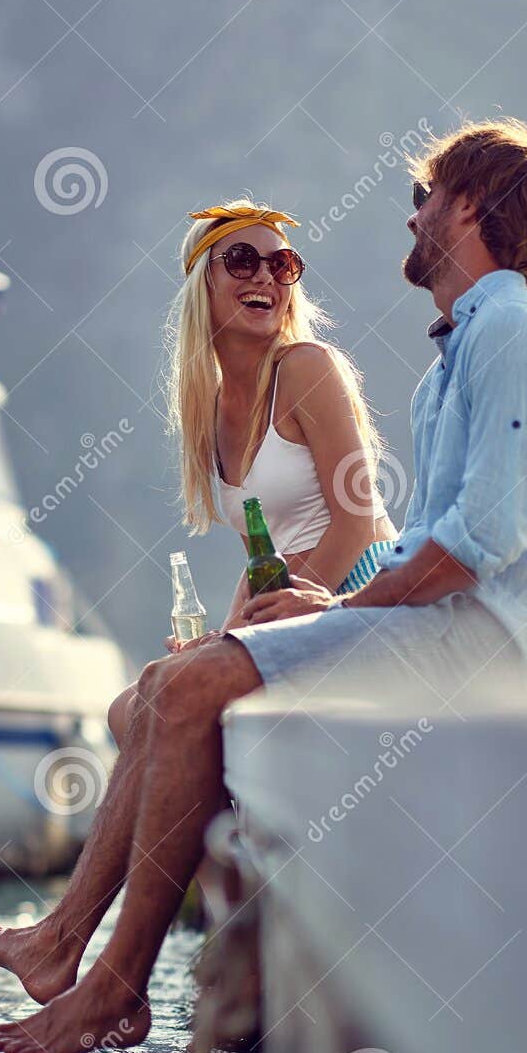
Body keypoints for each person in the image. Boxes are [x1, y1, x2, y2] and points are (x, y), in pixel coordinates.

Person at [0, 117, 527, 1053]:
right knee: (162, 692)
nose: (412, 214)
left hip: (480, 638)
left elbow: (481, 542)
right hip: (433, 621)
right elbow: (439, 541)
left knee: (176, 694)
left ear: (467, 206)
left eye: (422, 196)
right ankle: (76, 958)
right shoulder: (458, 357)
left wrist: (338, 609)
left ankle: (107, 985)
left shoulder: (509, 330)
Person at [105, 198, 398, 748]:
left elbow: (356, 522)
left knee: (160, 705)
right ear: (203, 282)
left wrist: (274, 624)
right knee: (131, 709)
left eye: (282, 264)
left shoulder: (307, 367)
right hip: (284, 608)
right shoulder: (209, 412)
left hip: (353, 594)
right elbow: (262, 558)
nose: (265, 274)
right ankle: (202, 831)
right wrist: (229, 631)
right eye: (243, 259)